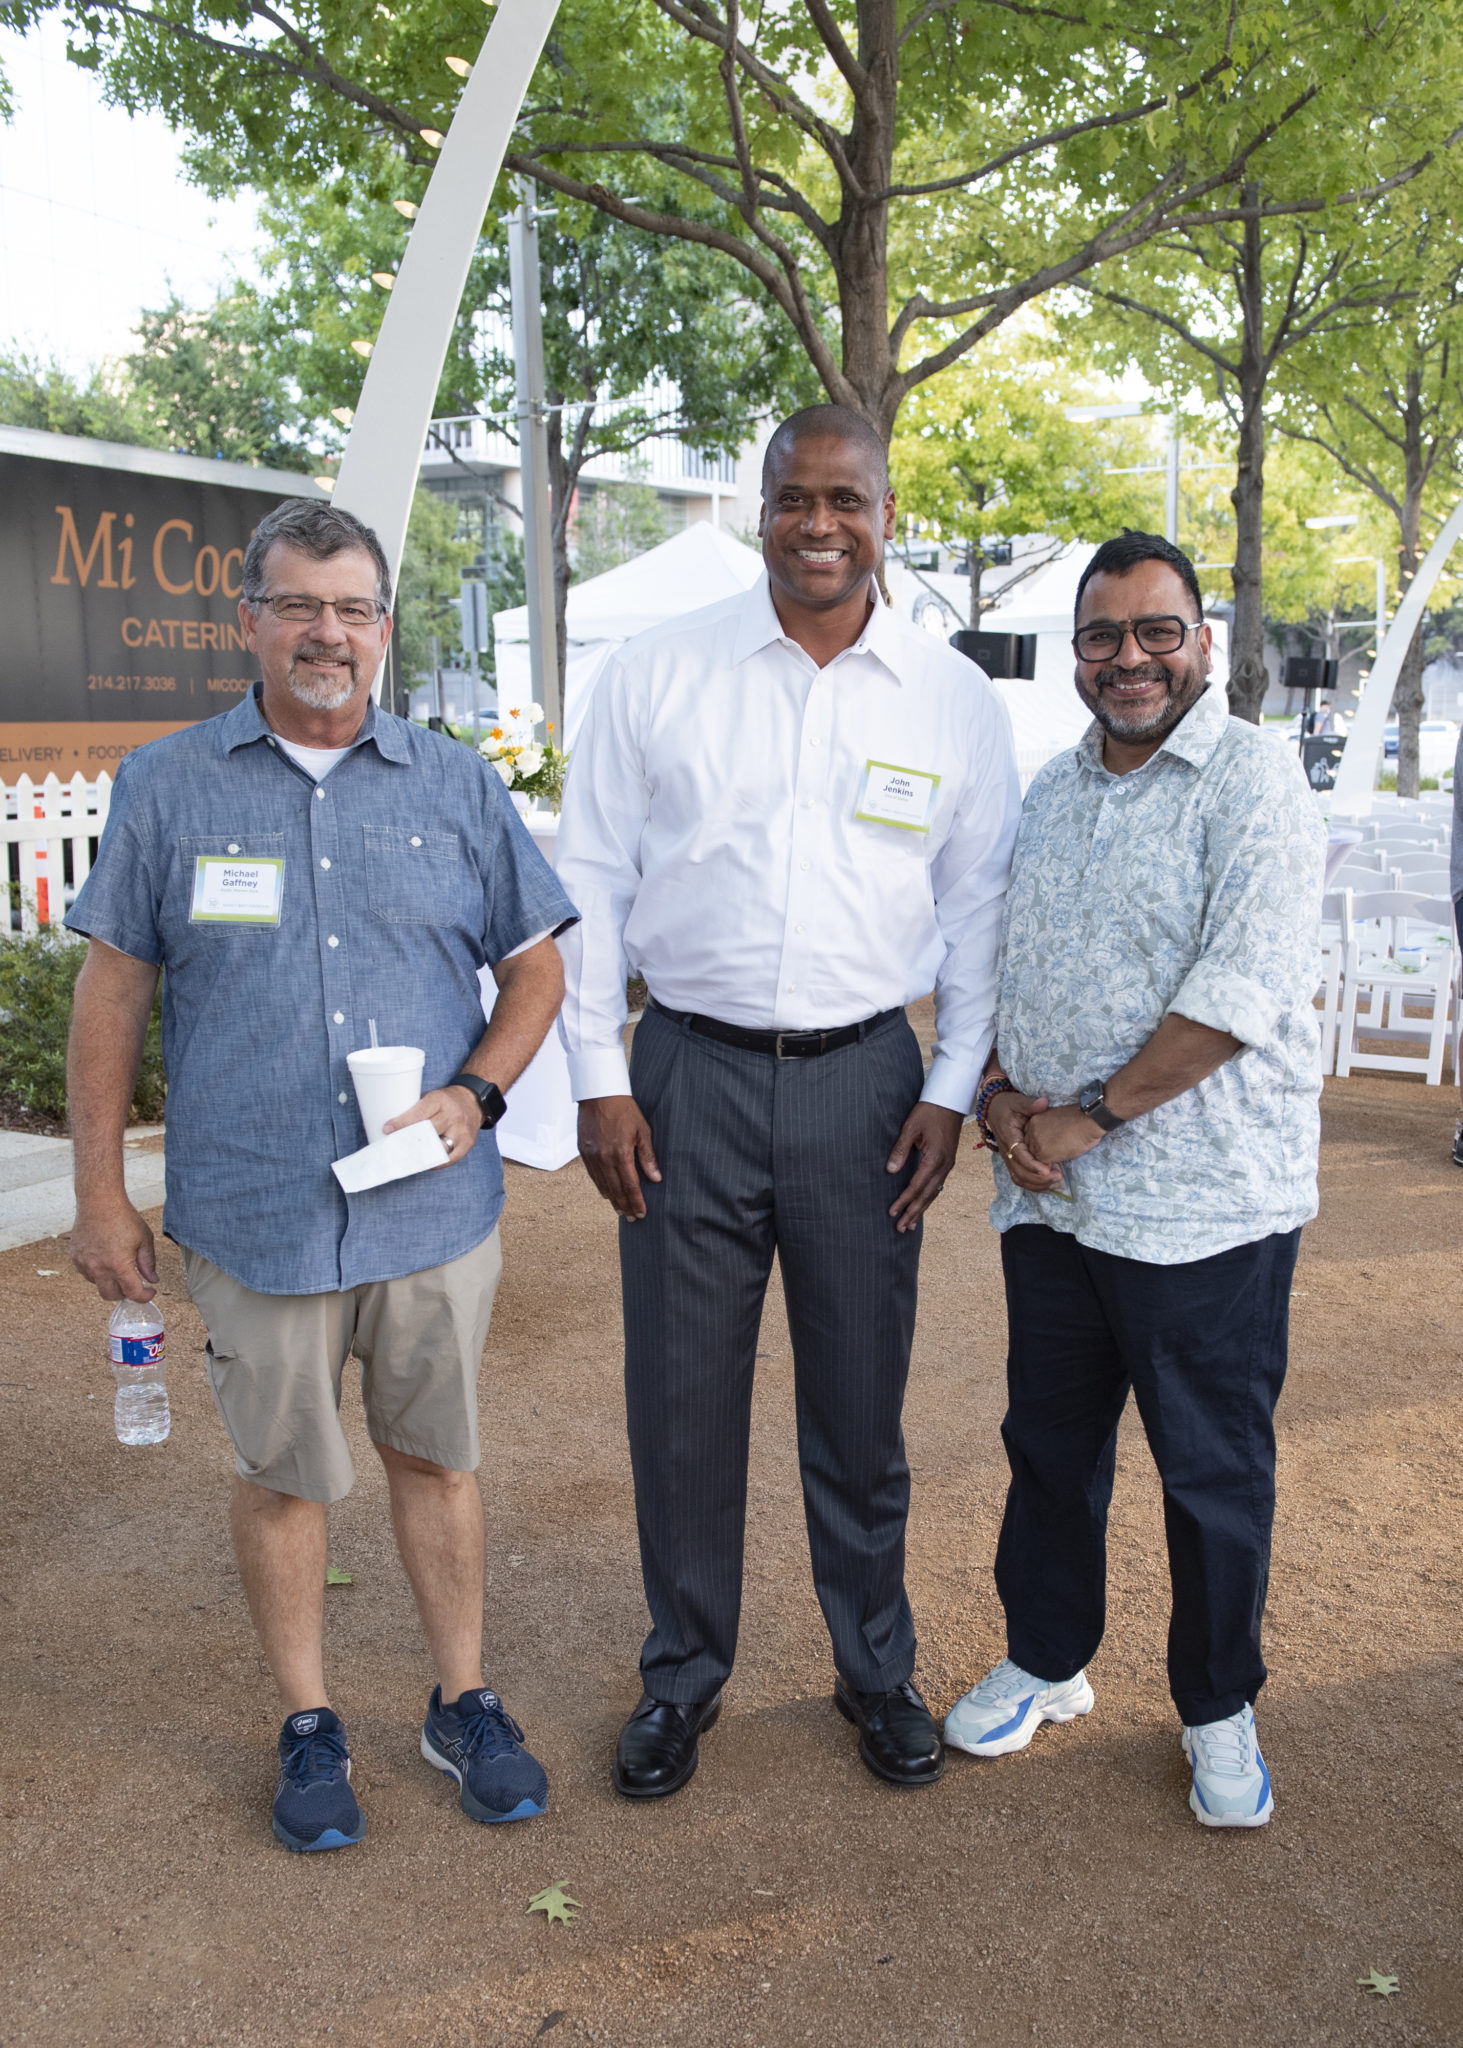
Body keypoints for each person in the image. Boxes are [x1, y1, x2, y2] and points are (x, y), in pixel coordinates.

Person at [65, 499, 578, 1854]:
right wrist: (101, 1192)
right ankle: (307, 1722)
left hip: (429, 1209)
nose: (326, 633)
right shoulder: (169, 785)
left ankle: (462, 1700)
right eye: (299, 605)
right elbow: (114, 991)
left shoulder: (457, 783)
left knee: (435, 1458)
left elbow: (539, 969)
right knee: (287, 1475)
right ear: (248, 620)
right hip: (256, 1208)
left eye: (352, 609)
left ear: (383, 630)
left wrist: (478, 1094)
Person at [554, 404, 1021, 1798]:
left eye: (847, 500)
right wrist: (596, 1074)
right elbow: (588, 879)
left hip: (867, 1086)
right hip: (683, 1076)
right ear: (759, 506)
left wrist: (948, 1086)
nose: (819, 526)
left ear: (889, 514)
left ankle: (873, 1668)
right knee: (683, 1406)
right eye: (793, 498)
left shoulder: (950, 699)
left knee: (860, 1407)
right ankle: (682, 1678)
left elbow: (980, 913)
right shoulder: (659, 672)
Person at [946, 530, 1325, 1830]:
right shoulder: (1050, 792)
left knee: (1209, 1471)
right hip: (1051, 1196)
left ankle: (1220, 1708)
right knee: (1050, 1449)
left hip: (1205, 1202)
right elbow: (995, 962)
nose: (1131, 659)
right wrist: (1002, 1096)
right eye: (1103, 636)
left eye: (1157, 631)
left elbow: (1238, 994)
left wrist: (1092, 1117)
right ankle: (1049, 1661)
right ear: (1075, 659)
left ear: (1204, 643)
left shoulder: (1255, 782)